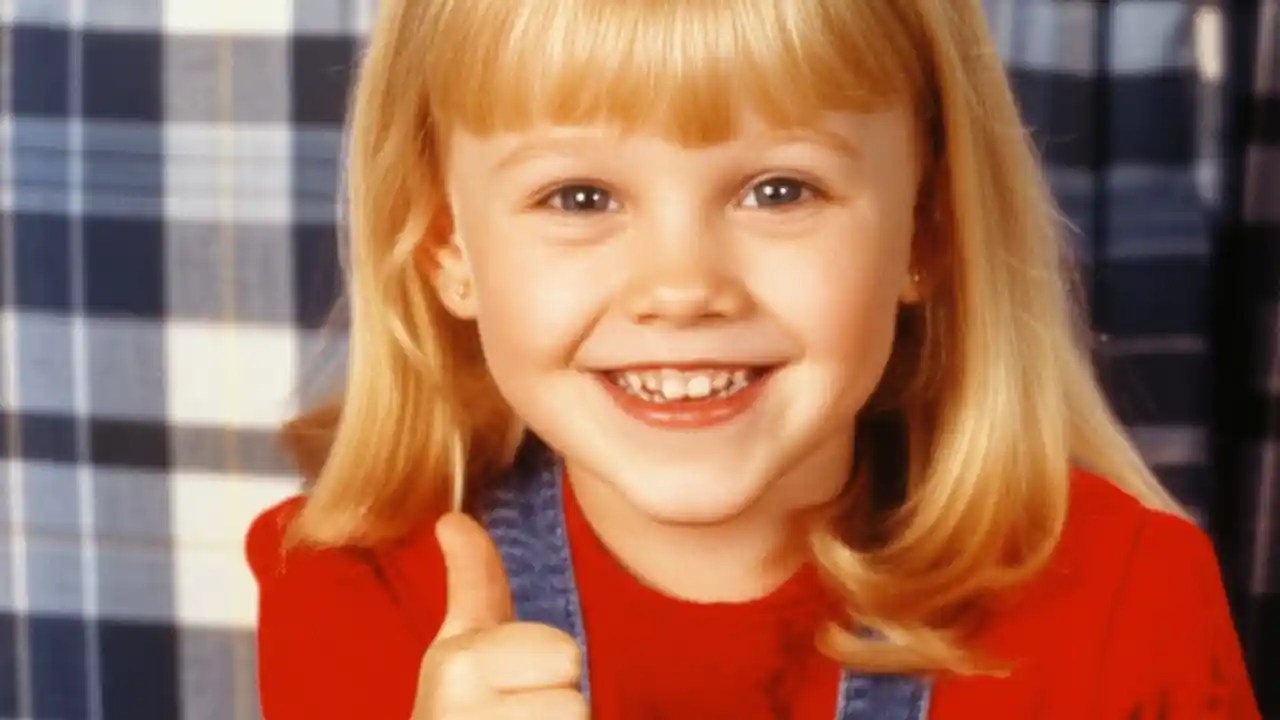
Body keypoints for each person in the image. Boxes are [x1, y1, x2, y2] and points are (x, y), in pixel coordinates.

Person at [245, 0, 1262, 717]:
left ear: (925, 230)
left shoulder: (1127, 601)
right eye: (579, 198)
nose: (683, 287)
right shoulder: (354, 601)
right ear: (446, 250)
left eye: (778, 190)